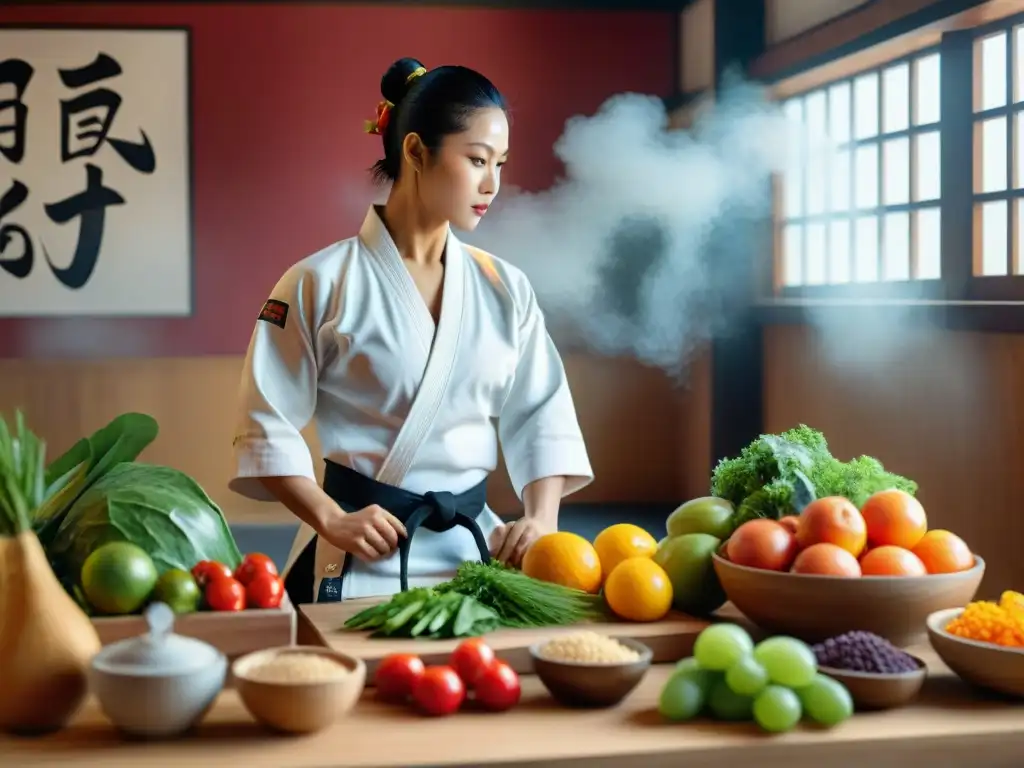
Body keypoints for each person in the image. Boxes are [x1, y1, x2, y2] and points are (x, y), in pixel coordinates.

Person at [229, 57, 594, 605]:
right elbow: (265, 424)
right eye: (476, 160)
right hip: (359, 546)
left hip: (475, 552)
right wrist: (331, 519)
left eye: (500, 163)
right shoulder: (318, 281)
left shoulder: (506, 287)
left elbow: (543, 410)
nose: (492, 183)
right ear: (416, 151)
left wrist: (542, 517)